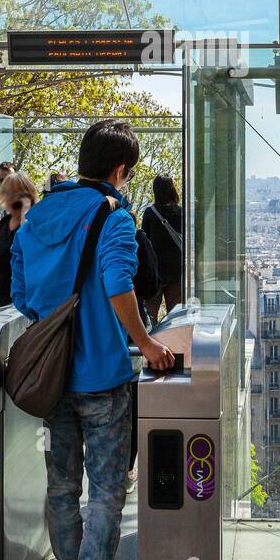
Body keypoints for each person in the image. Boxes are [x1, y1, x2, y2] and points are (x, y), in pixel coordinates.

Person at [10, 119, 174, 560]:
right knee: (106, 494)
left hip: (51, 381)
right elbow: (118, 284)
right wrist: (146, 344)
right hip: (103, 378)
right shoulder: (115, 216)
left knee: (62, 488)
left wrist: (56, 327)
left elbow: (22, 295)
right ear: (121, 170)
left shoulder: (35, 218)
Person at [126, 210, 160, 492]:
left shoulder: (72, 232)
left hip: (85, 335)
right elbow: (150, 284)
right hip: (130, 329)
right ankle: (126, 466)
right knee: (133, 397)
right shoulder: (134, 237)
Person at [0, 171, 38, 312]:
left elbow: (28, 254)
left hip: (21, 306)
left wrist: (25, 212)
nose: (10, 198)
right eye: (6, 193)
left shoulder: (33, 225)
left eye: (16, 193)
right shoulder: (3, 223)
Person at [142, 174, 183, 321]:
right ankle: (172, 344)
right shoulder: (181, 213)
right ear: (172, 189)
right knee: (175, 317)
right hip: (176, 271)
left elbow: (144, 242)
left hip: (155, 273)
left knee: (150, 314)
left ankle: (150, 341)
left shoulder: (150, 213)